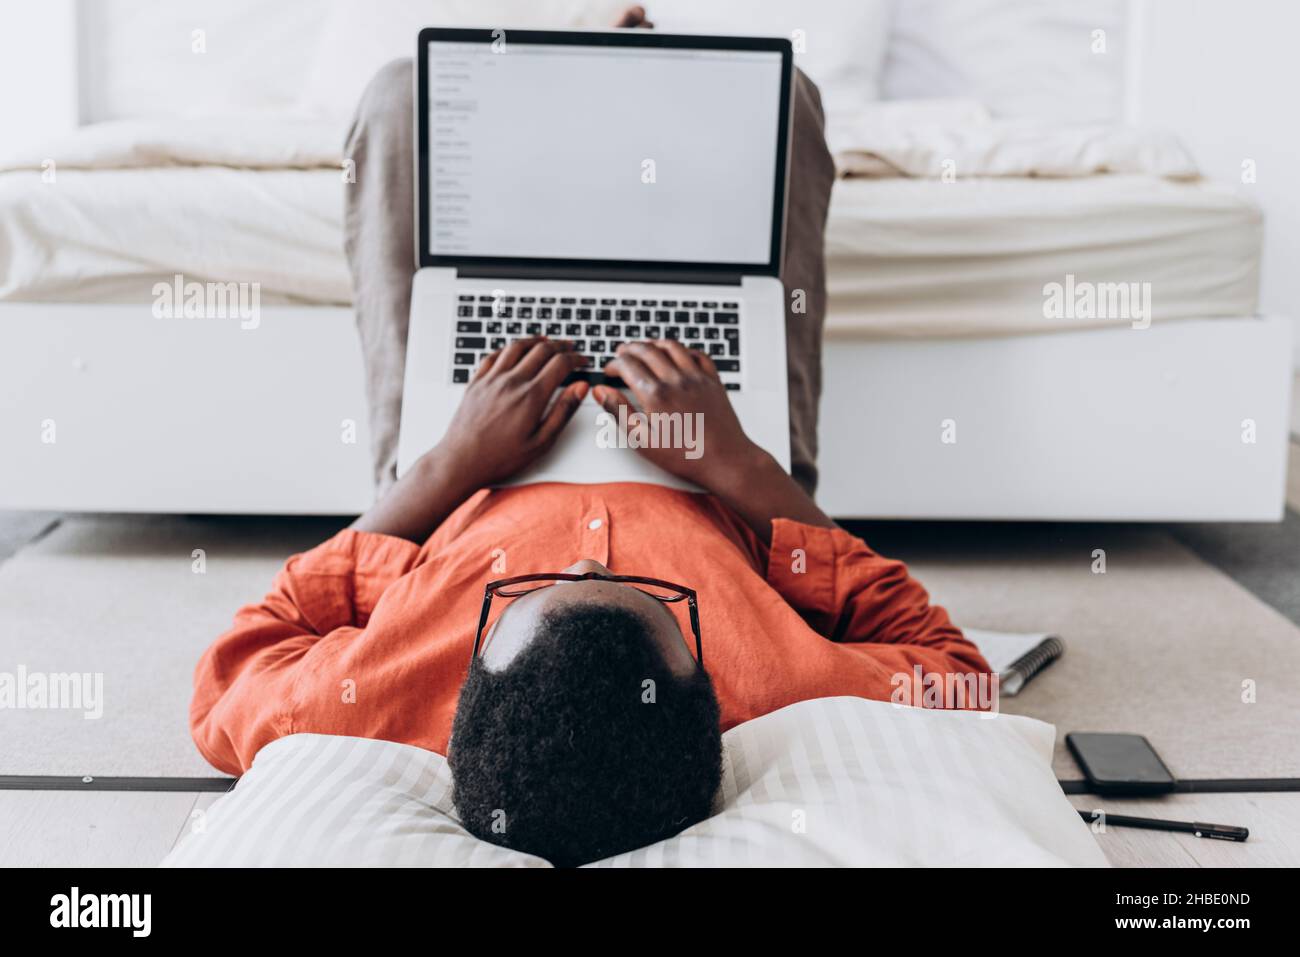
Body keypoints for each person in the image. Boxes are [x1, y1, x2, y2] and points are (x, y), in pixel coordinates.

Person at [189, 10, 991, 867]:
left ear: (469, 692)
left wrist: (446, 464)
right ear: (700, 689)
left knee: (398, 99)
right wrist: (737, 462)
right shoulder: (779, 691)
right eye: (649, 598)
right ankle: (635, 74)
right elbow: (960, 676)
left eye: (530, 593)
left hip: (473, 461)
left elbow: (234, 669)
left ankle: (568, 76)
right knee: (782, 102)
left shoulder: (373, 695)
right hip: (709, 461)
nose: (590, 562)